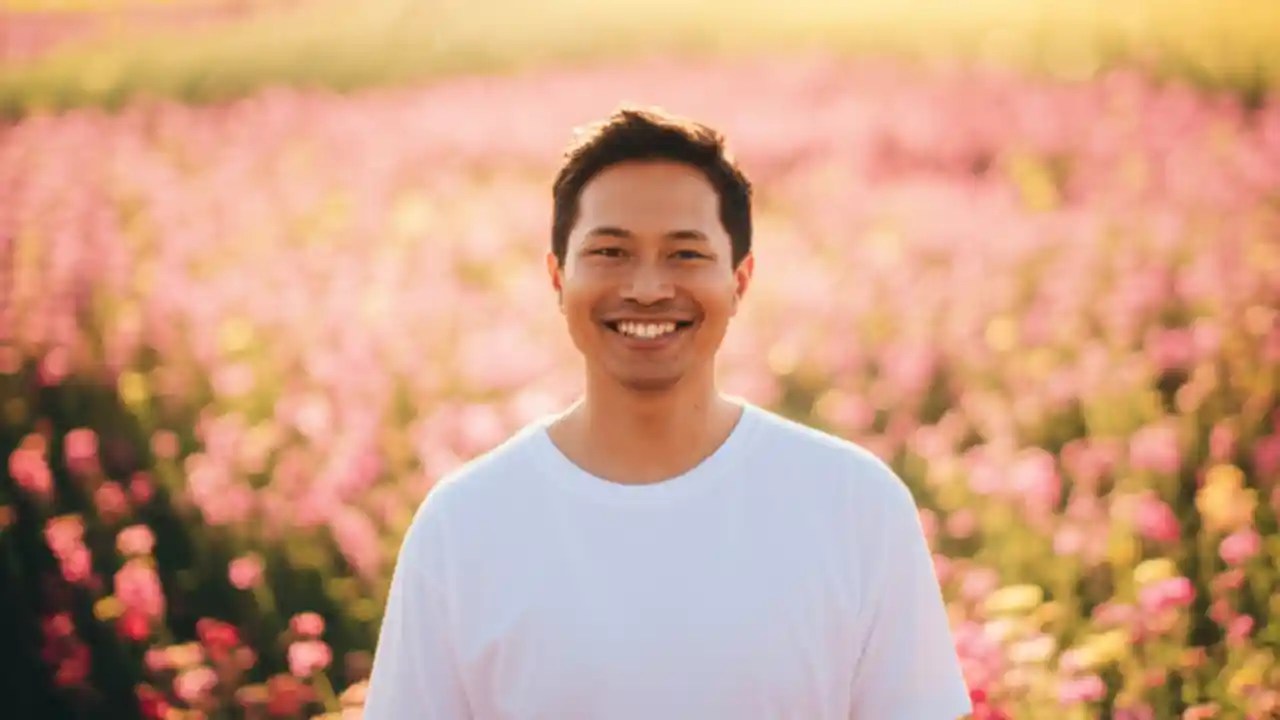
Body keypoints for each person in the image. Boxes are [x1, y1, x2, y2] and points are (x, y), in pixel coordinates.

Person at [363, 106, 973, 719]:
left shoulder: (854, 505)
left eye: (684, 255)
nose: (649, 288)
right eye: (610, 252)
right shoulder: (464, 524)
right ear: (556, 278)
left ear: (741, 280)